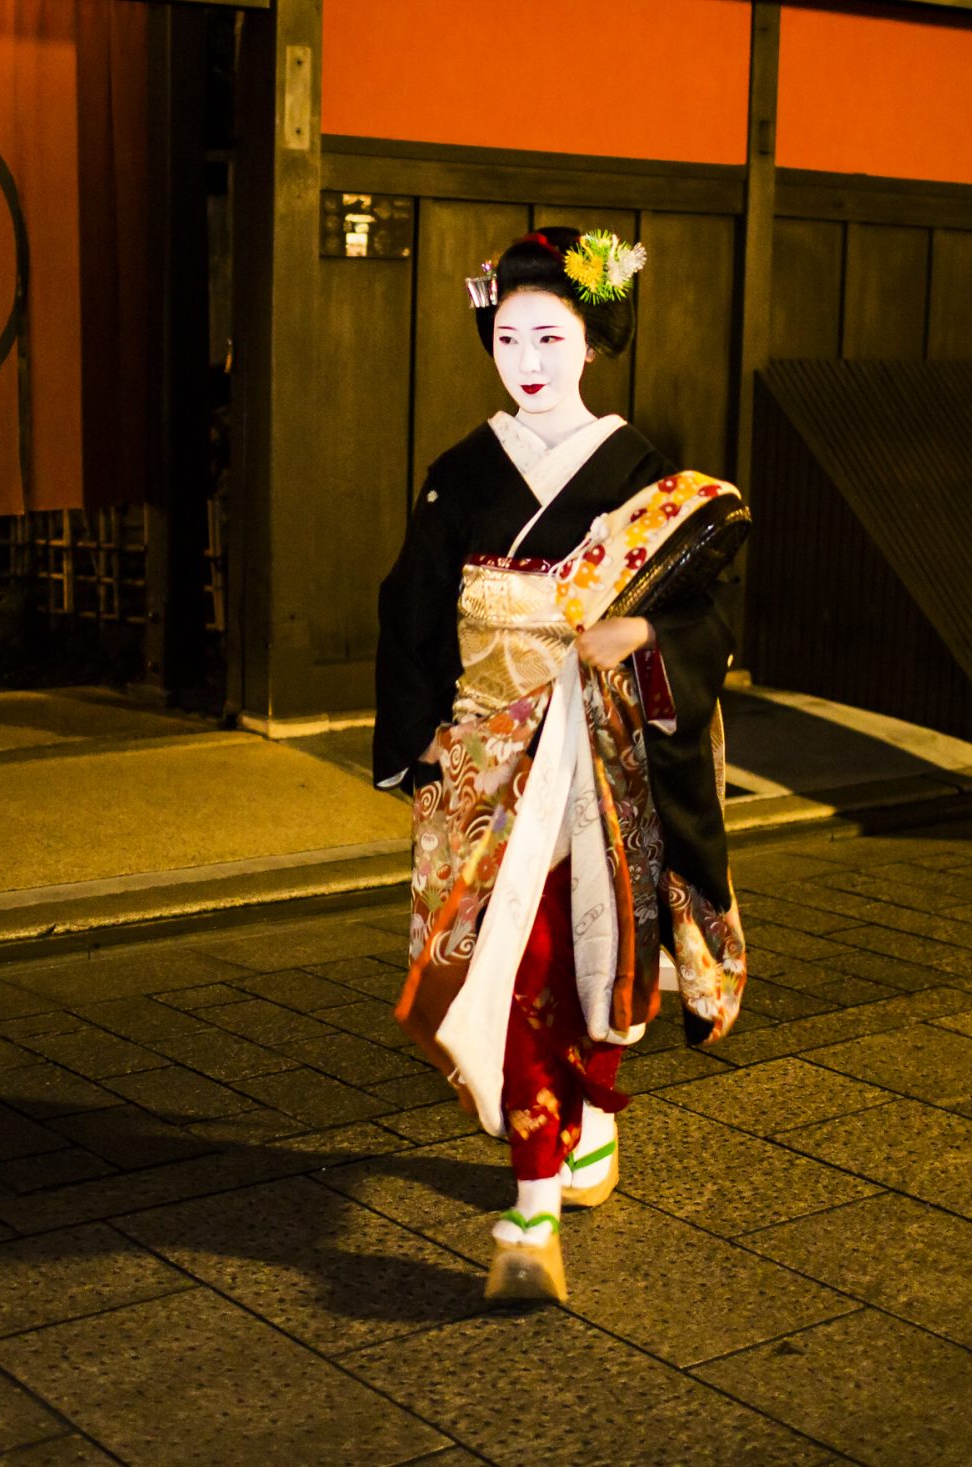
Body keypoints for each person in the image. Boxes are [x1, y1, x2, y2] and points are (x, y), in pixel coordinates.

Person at [374, 227, 748, 1305]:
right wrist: (416, 747)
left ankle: (564, 1159)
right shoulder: (460, 474)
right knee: (524, 968)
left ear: (592, 343)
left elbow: (702, 609)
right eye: (507, 336)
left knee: (604, 951)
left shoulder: (643, 472)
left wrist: (648, 640)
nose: (527, 358)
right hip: (492, 755)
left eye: (551, 334)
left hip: (602, 751)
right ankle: (543, 1188)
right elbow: (411, 612)